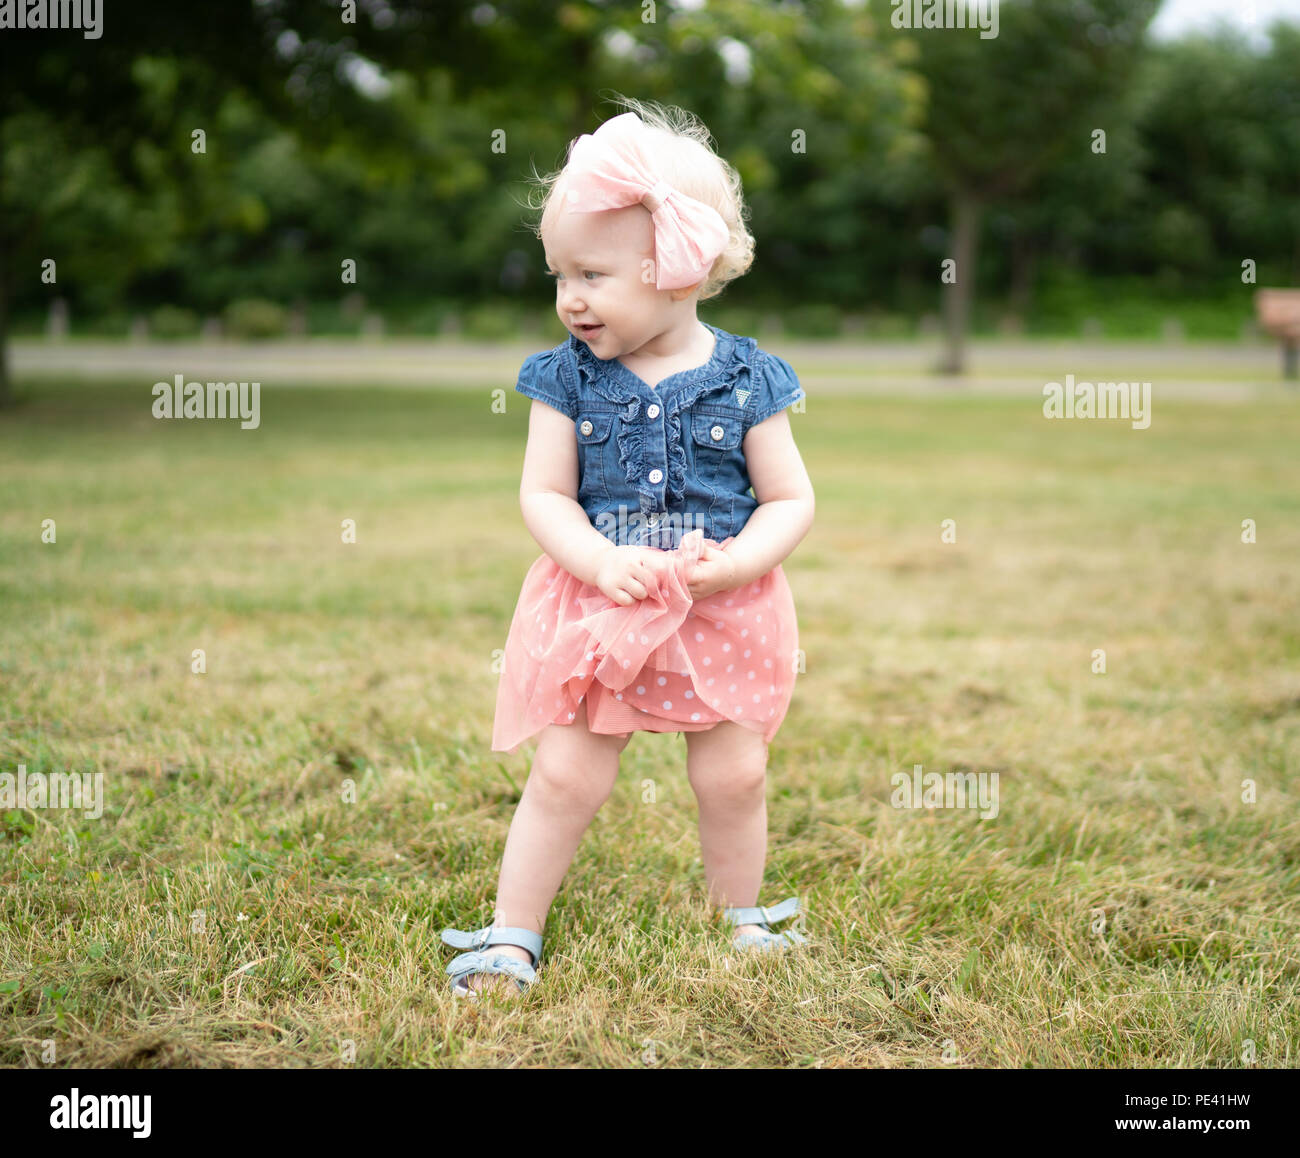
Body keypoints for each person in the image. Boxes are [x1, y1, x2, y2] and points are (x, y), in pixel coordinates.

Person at [441, 98, 815, 998]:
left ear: (678, 270)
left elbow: (790, 499)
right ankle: (512, 932)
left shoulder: (749, 375)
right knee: (567, 772)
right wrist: (598, 561)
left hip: (720, 607)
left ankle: (743, 919)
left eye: (593, 274)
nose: (569, 297)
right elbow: (544, 494)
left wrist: (739, 563)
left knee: (736, 774)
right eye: (558, 273)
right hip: (602, 606)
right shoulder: (563, 378)